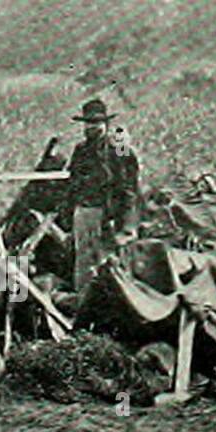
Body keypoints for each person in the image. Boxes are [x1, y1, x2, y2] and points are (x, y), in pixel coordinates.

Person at [61, 98, 140, 291]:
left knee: (109, 260)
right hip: (84, 212)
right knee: (84, 262)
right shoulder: (81, 150)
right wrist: (68, 216)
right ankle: (83, 300)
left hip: (108, 213)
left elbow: (129, 186)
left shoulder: (118, 149)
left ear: (106, 124)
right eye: (89, 123)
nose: (92, 128)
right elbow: (72, 184)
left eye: (97, 123)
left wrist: (127, 223)